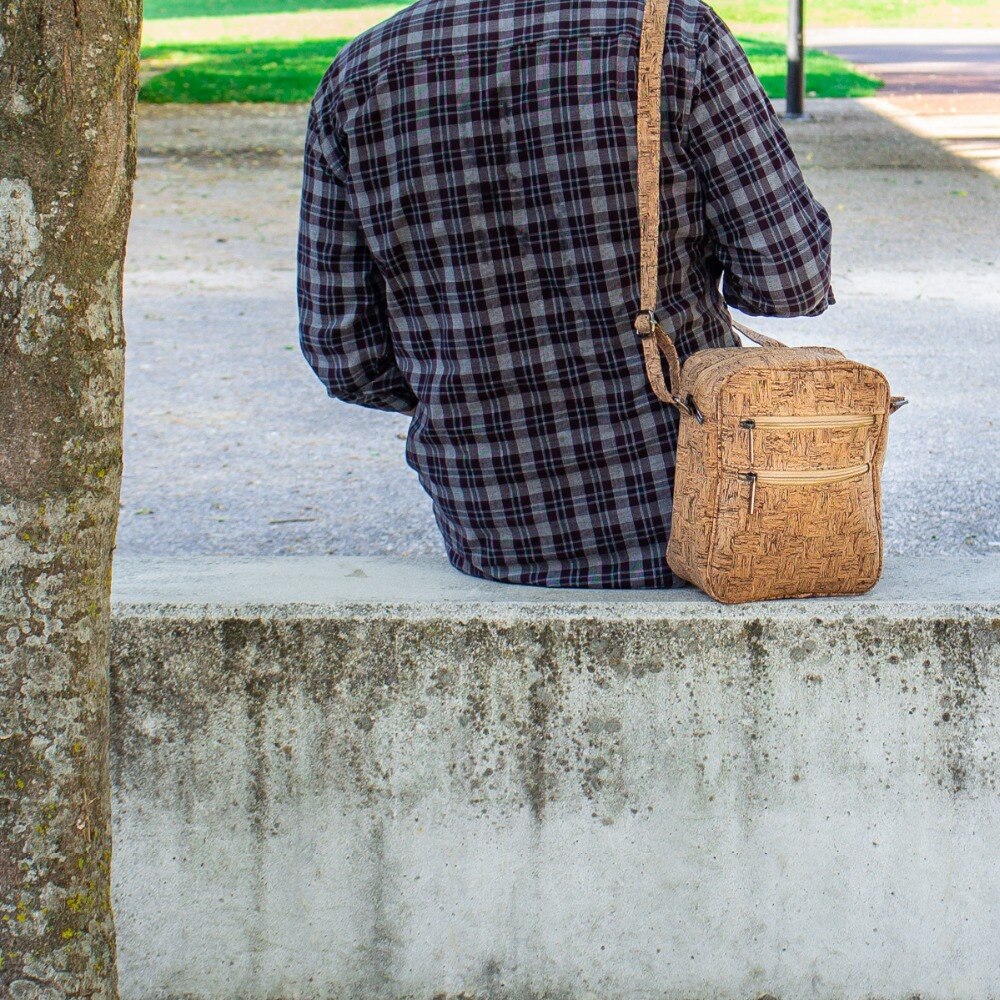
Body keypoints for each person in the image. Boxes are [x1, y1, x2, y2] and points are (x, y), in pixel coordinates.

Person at [297, 0, 834, 589]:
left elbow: (347, 358)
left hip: (492, 531)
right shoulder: (673, 34)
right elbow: (790, 279)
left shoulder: (361, 72)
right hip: (699, 508)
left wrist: (480, 391)